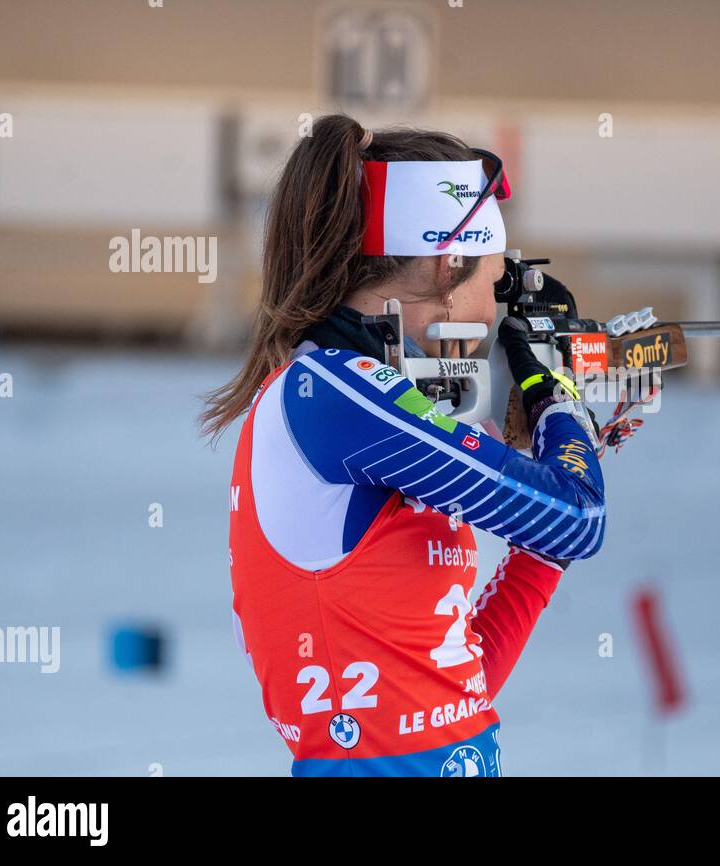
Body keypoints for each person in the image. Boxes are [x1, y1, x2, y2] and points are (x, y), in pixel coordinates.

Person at [200, 115, 606, 776]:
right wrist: (554, 392)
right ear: (451, 264)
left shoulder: (356, 396)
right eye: (496, 281)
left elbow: (449, 687)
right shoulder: (336, 395)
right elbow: (581, 515)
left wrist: (570, 454)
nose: (496, 308)